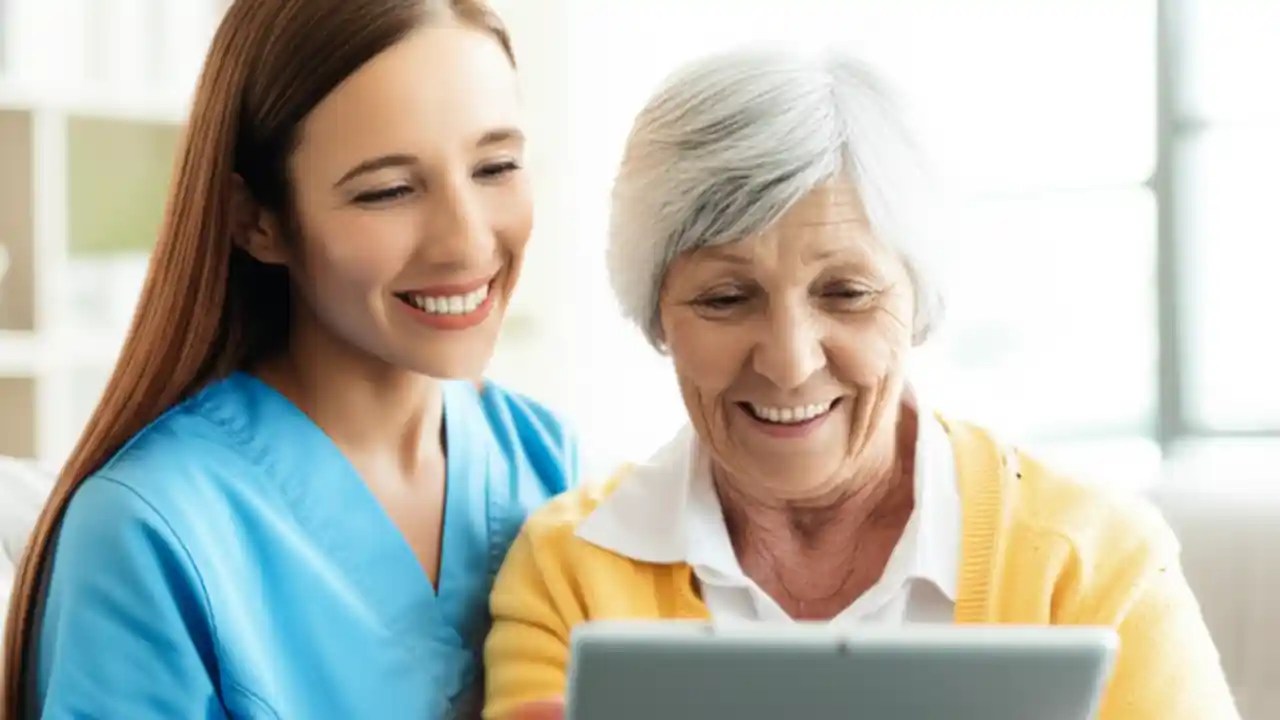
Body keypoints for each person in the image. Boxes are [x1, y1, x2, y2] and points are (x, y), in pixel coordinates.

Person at [484, 47, 1238, 720]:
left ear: (918, 304)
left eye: (845, 293)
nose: (789, 361)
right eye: (724, 298)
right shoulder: (567, 573)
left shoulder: (1094, 558)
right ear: (656, 316)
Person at [1, 1, 578, 717]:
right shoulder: (146, 531)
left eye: (495, 167)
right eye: (389, 190)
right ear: (257, 220)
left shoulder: (551, 464)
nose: (465, 243)